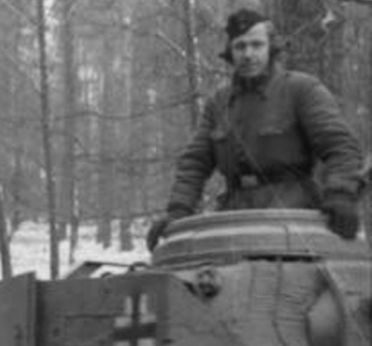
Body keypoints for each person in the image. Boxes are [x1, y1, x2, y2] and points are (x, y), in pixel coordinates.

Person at [147, 9, 364, 251]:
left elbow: (340, 147)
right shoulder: (218, 103)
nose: (248, 54)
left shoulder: (302, 90)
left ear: (271, 47)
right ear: (230, 52)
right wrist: (178, 210)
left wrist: (341, 194)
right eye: (240, 46)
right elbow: (194, 163)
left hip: (294, 216)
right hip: (233, 219)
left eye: (256, 45)